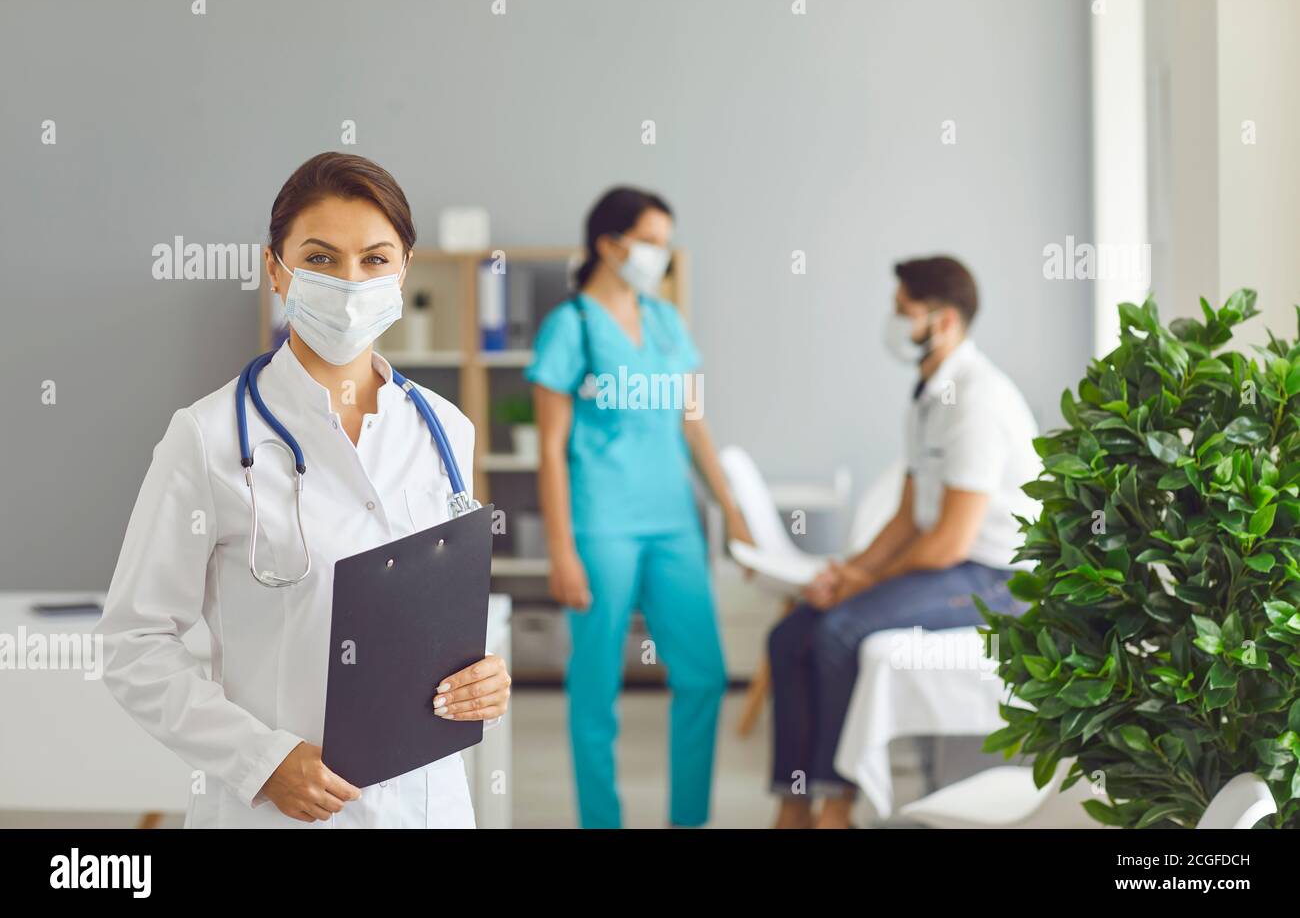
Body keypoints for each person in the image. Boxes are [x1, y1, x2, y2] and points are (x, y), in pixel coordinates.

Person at [97, 152, 510, 828]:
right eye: (320, 259)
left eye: (375, 260)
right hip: (279, 813)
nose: (350, 283)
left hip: (426, 806)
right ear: (275, 270)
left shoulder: (445, 431)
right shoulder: (205, 437)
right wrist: (260, 760)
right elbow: (133, 644)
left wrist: (484, 679)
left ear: (404, 269)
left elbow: (442, 617)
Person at [768, 255, 1037, 829]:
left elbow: (950, 540)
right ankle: (794, 804)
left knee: (841, 630)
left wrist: (861, 587)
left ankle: (836, 808)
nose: (892, 323)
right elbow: (910, 518)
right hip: (953, 564)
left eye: (901, 312)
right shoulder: (929, 393)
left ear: (941, 320)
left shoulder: (976, 398)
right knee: (791, 633)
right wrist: (844, 572)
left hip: (996, 578)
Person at [527, 186, 752, 828]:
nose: (661, 253)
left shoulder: (666, 321)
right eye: (651, 240)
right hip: (601, 526)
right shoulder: (569, 327)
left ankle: (689, 820)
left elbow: (695, 425)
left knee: (704, 675)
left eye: (665, 241)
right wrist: (561, 550)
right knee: (596, 688)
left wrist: (730, 512)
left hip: (674, 523)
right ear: (610, 243)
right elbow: (549, 448)